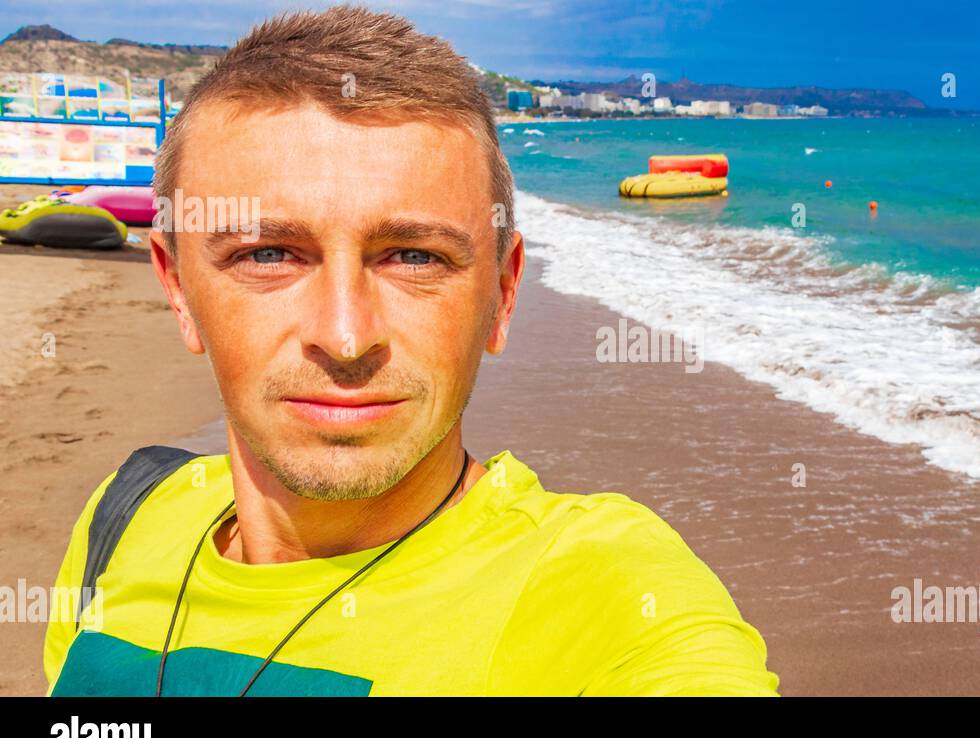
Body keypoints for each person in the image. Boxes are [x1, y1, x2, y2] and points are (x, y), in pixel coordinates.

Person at [42, 5, 779, 697]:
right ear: (178, 289)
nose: (345, 336)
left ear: (503, 291)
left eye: (414, 258)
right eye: (270, 253)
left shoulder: (604, 592)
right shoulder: (125, 515)